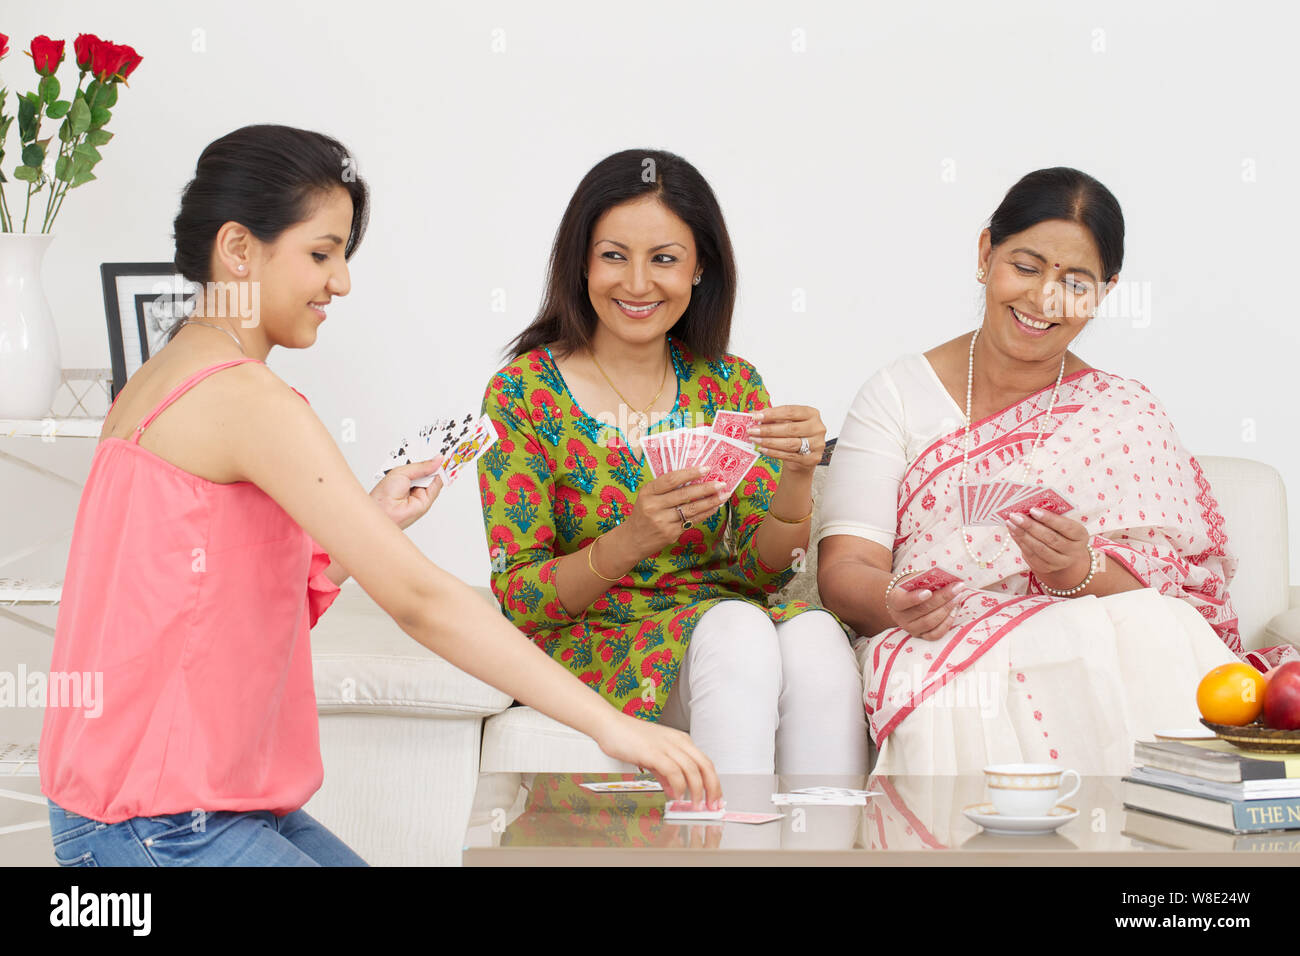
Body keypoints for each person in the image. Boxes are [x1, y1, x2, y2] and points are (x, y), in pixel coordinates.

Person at [40, 125, 721, 868]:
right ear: (239, 249)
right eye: (321, 253)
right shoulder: (245, 399)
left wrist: (367, 519)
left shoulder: (160, 378)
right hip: (160, 824)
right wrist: (612, 726)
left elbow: (207, 609)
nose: (341, 282)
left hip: (164, 807)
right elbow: (422, 601)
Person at [815, 166, 1297, 776]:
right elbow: (845, 571)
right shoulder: (897, 394)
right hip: (937, 641)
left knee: (1149, 623)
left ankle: (1164, 839)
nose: (1044, 300)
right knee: (1019, 663)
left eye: (1075, 282)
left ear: (1106, 290)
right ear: (987, 252)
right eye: (1026, 266)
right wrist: (894, 600)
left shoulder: (1125, 414)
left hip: (1093, 626)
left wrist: (1081, 568)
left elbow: (1184, 587)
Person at [476, 148, 868, 775]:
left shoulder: (730, 385)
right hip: (599, 641)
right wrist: (628, 541)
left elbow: (765, 575)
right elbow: (520, 598)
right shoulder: (523, 393)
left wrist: (798, 476)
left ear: (699, 269)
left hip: (727, 627)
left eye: (663, 259)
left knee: (817, 638)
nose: (637, 283)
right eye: (613, 256)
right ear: (581, 263)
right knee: (737, 633)